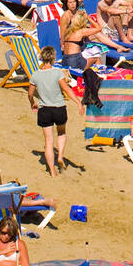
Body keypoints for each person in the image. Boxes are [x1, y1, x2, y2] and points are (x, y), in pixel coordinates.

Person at [27, 45, 84, 177]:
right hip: (59, 108)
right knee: (61, 132)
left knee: (48, 141)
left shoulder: (35, 75)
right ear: (53, 58)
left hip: (44, 110)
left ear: (41, 58)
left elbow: (30, 94)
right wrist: (78, 103)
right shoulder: (57, 73)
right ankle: (61, 156)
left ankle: (52, 171)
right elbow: (67, 89)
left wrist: (32, 104)